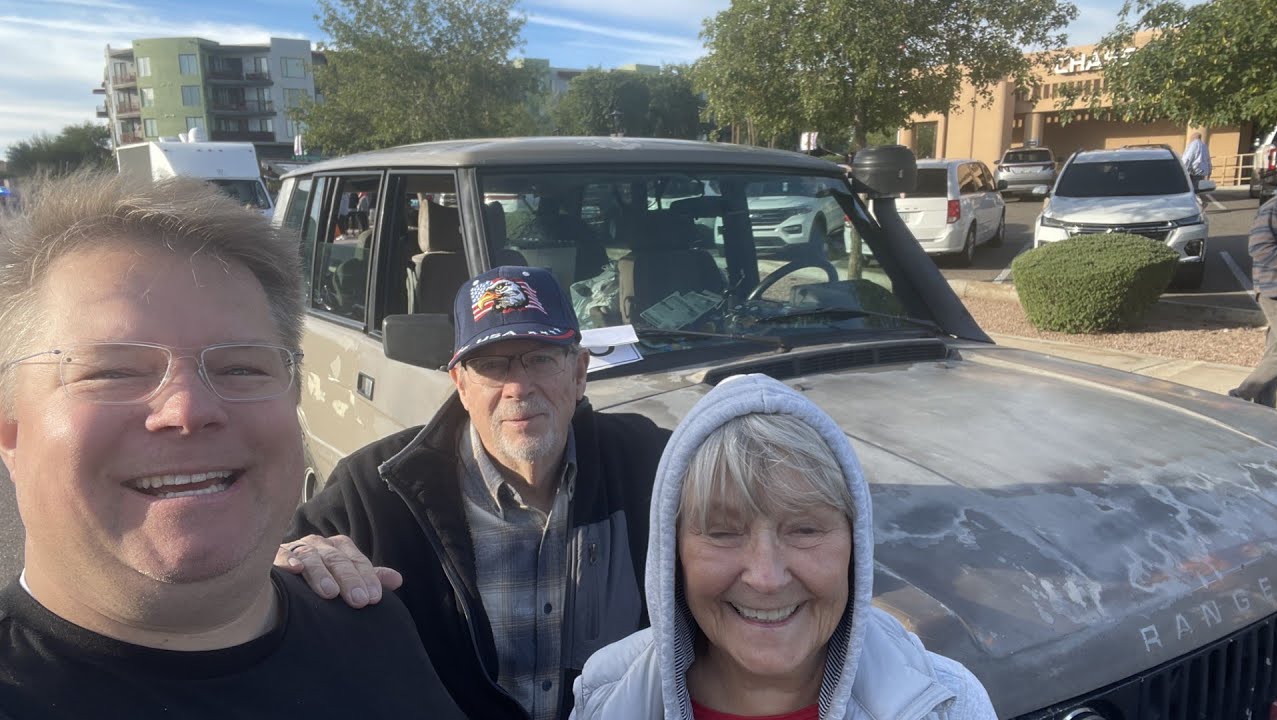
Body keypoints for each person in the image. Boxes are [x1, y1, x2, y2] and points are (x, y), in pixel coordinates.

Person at [0, 172, 465, 719]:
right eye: (113, 372)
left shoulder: (373, 624)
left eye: (241, 367)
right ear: (11, 431)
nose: (188, 410)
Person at [282, 265, 671, 720]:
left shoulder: (651, 466)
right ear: (461, 386)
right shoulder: (373, 492)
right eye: (491, 365)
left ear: (579, 372)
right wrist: (296, 560)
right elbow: (270, 596)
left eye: (540, 359)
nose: (518, 387)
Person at [571, 374, 997, 720]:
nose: (767, 578)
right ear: (673, 552)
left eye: (806, 530)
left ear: (855, 545)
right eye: (723, 532)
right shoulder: (604, 697)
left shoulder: (951, 705)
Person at [1230, 194, 1277, 407]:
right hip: (1274, 290)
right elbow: (1260, 247)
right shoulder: (1274, 208)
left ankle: (1263, 407)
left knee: (1275, 353)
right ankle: (1240, 396)